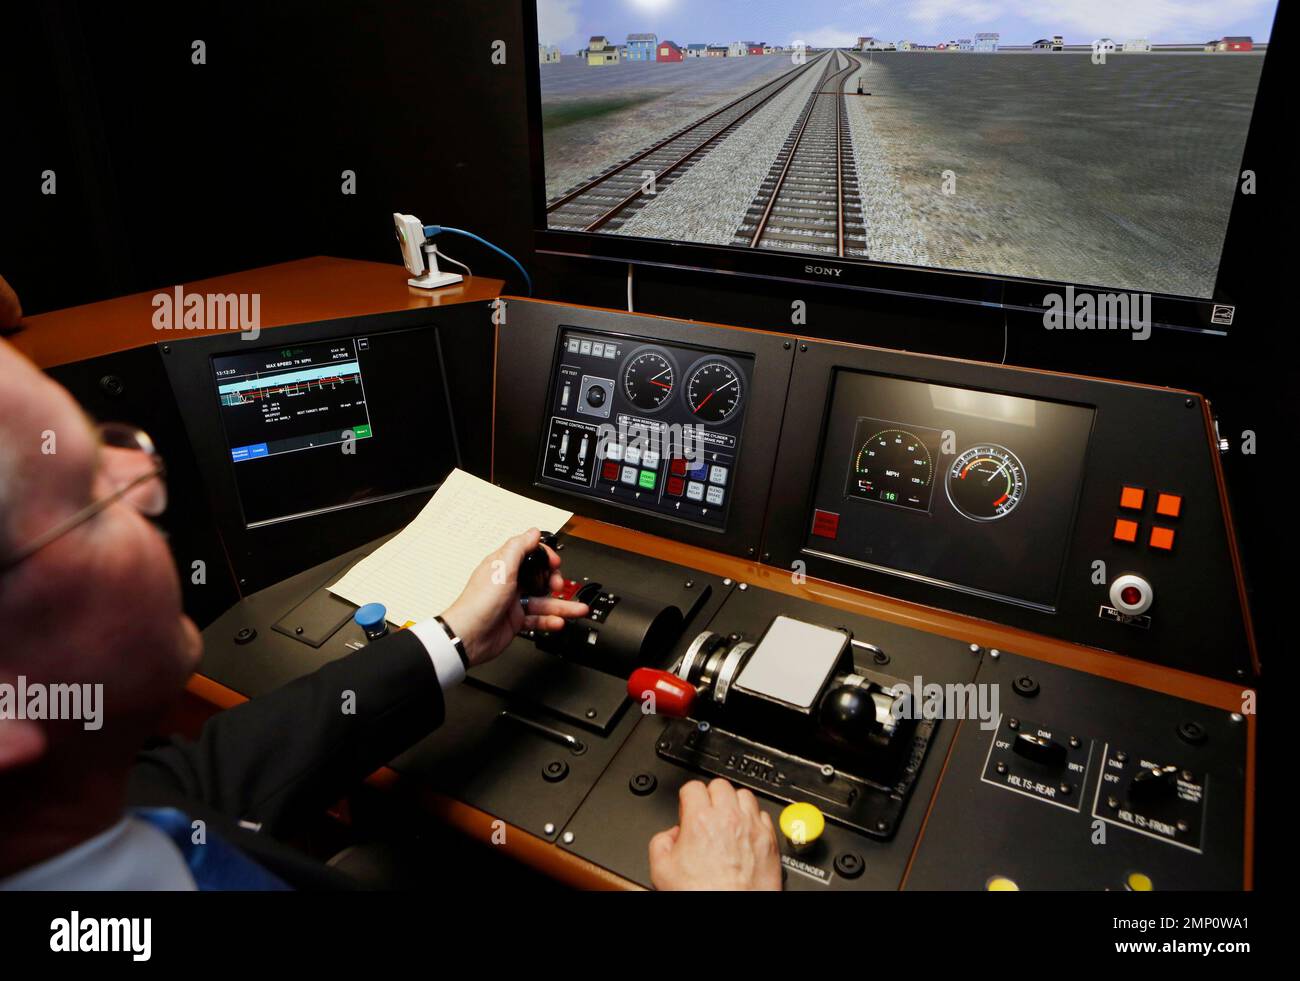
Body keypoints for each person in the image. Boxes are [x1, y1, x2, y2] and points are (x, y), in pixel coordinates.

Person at [0, 286, 780, 890]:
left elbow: (199, 779)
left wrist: (453, 637)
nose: (143, 476)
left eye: (113, 445)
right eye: (86, 496)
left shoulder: (89, 808)